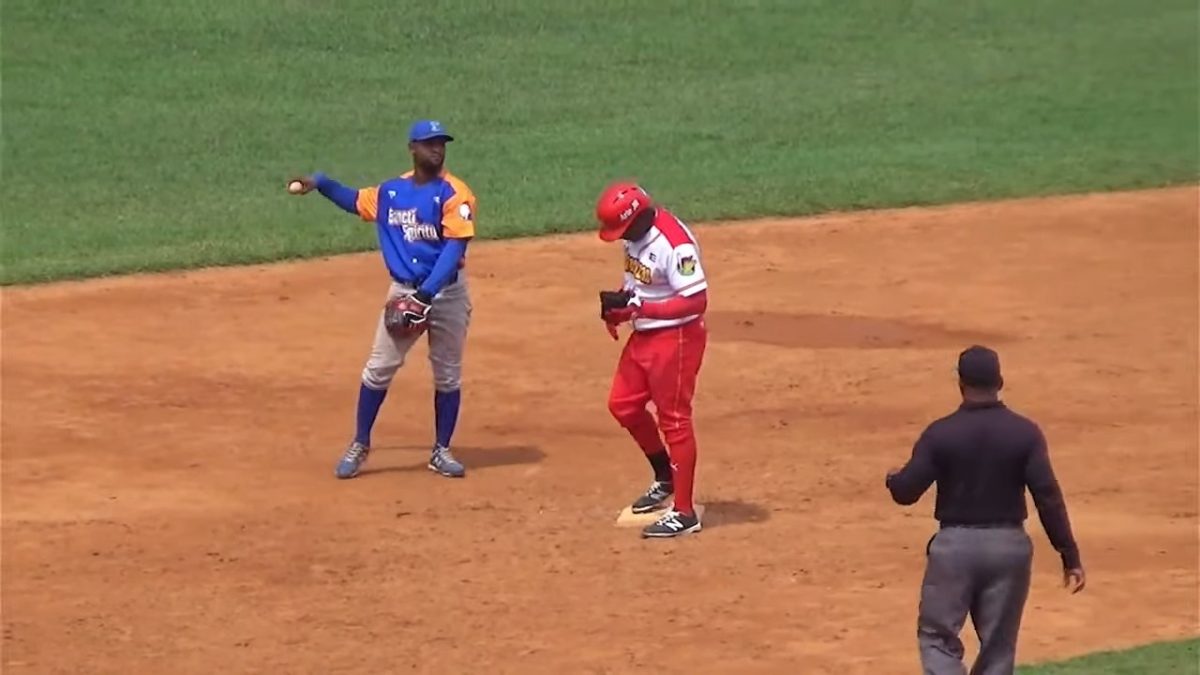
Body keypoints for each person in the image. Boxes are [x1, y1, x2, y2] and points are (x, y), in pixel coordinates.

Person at [287, 119, 476, 480]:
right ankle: (360, 443)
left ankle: (441, 450)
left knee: (447, 373)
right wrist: (323, 183)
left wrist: (425, 296)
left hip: (446, 293)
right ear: (413, 149)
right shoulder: (391, 193)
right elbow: (356, 201)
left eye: (441, 143)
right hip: (404, 291)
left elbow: (454, 248)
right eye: (429, 143)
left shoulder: (455, 194)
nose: (437, 149)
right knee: (378, 369)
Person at [886, 345, 1086, 674]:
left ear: (961, 383)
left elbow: (907, 492)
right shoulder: (1025, 432)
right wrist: (1069, 554)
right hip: (1009, 548)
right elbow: (1047, 495)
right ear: (1000, 381)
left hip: (955, 548)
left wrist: (892, 479)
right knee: (998, 645)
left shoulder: (941, 433)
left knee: (937, 636)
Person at [595, 181, 709, 538]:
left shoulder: (675, 245)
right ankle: (665, 475)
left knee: (674, 420)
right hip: (645, 335)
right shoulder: (635, 236)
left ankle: (685, 513)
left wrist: (640, 307)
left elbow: (696, 300)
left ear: (637, 218)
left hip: (676, 339)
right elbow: (637, 283)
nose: (620, 237)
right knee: (623, 405)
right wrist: (619, 308)